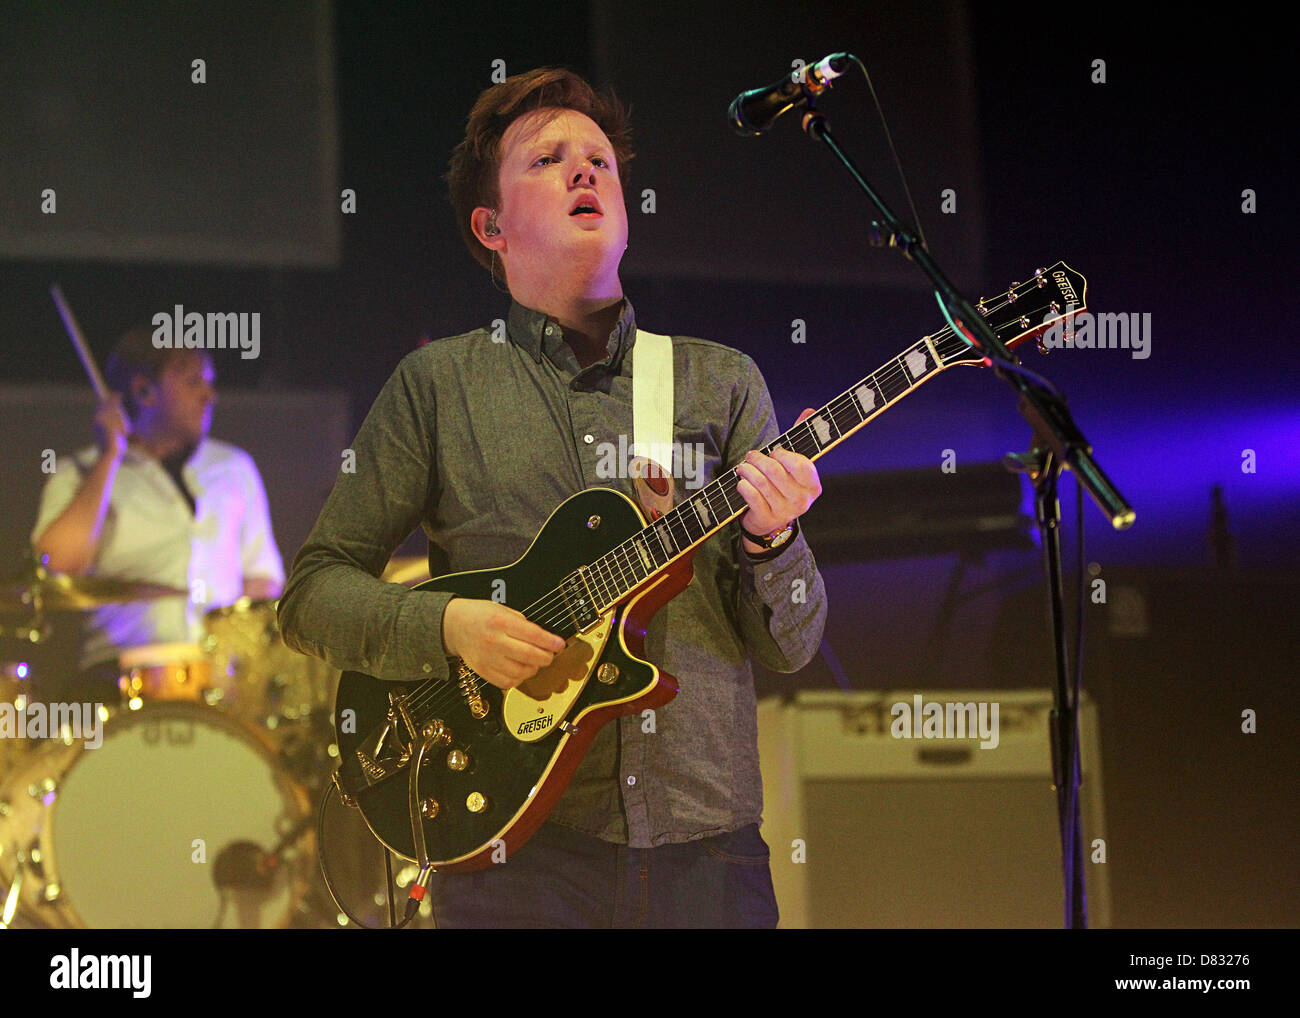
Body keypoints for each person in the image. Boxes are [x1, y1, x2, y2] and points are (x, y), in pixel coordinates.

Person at [278, 67, 828, 928]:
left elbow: (790, 648)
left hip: (708, 852)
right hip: (517, 858)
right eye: (548, 159)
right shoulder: (439, 385)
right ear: (490, 226)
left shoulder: (718, 382)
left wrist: (773, 539)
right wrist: (448, 627)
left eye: (601, 160)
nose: (585, 172)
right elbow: (312, 594)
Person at [31, 329, 284, 702]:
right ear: (145, 391)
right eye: (194, 382)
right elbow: (55, 564)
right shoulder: (79, 473)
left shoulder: (234, 467)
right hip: (117, 677)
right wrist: (108, 458)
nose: (209, 396)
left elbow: (262, 581)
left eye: (210, 383)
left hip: (218, 680)